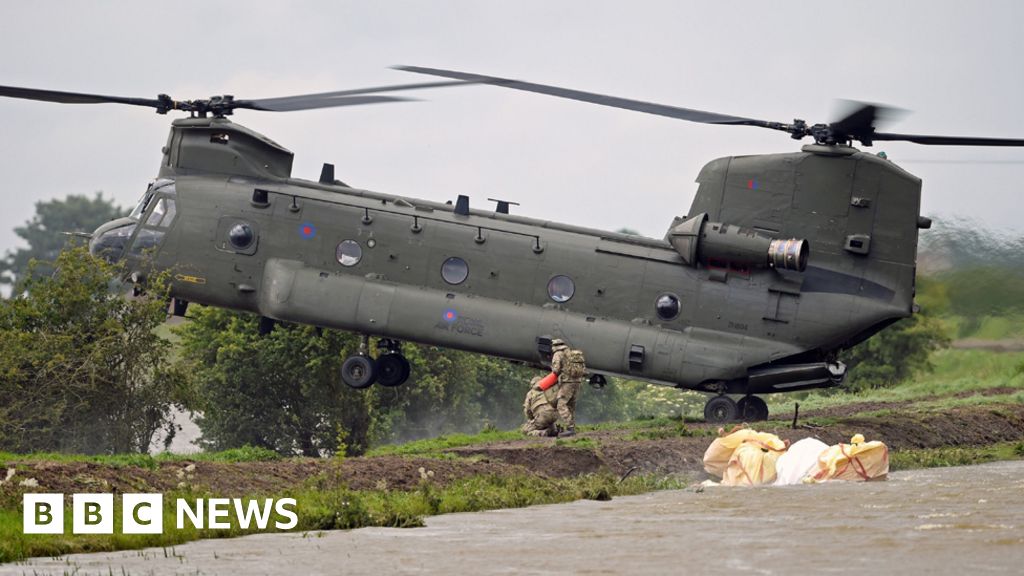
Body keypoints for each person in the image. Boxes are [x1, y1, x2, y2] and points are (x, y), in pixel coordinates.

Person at [549, 338, 586, 437]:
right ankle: (571, 427)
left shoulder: (558, 354)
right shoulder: (570, 352)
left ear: (554, 346)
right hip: (577, 381)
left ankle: (570, 428)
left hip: (567, 382)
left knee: (561, 404)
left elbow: (556, 370)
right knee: (571, 405)